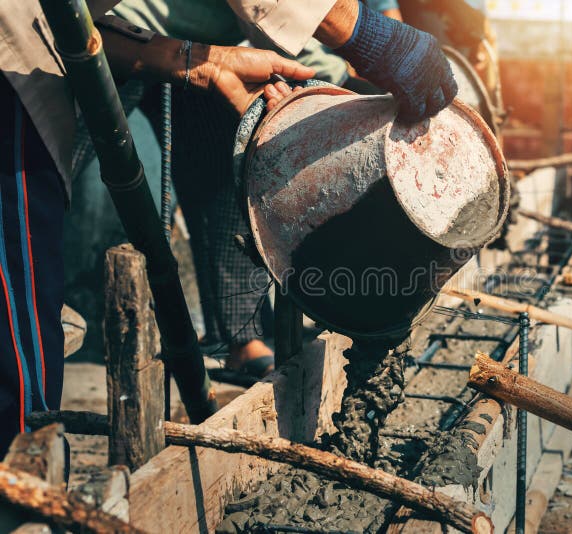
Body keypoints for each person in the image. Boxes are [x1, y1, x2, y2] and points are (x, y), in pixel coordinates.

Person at [0, 0, 456, 456]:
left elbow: (78, 28)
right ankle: (19, 487)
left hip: (98, 37)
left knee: (31, 283)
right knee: (21, 313)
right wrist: (367, 37)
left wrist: (200, 60)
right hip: (26, 48)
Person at [110, 0, 456, 376]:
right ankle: (239, 338)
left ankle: (243, 334)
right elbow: (287, 18)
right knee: (52, 170)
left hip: (205, 44)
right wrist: (354, 55)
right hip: (121, 25)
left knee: (228, 178)